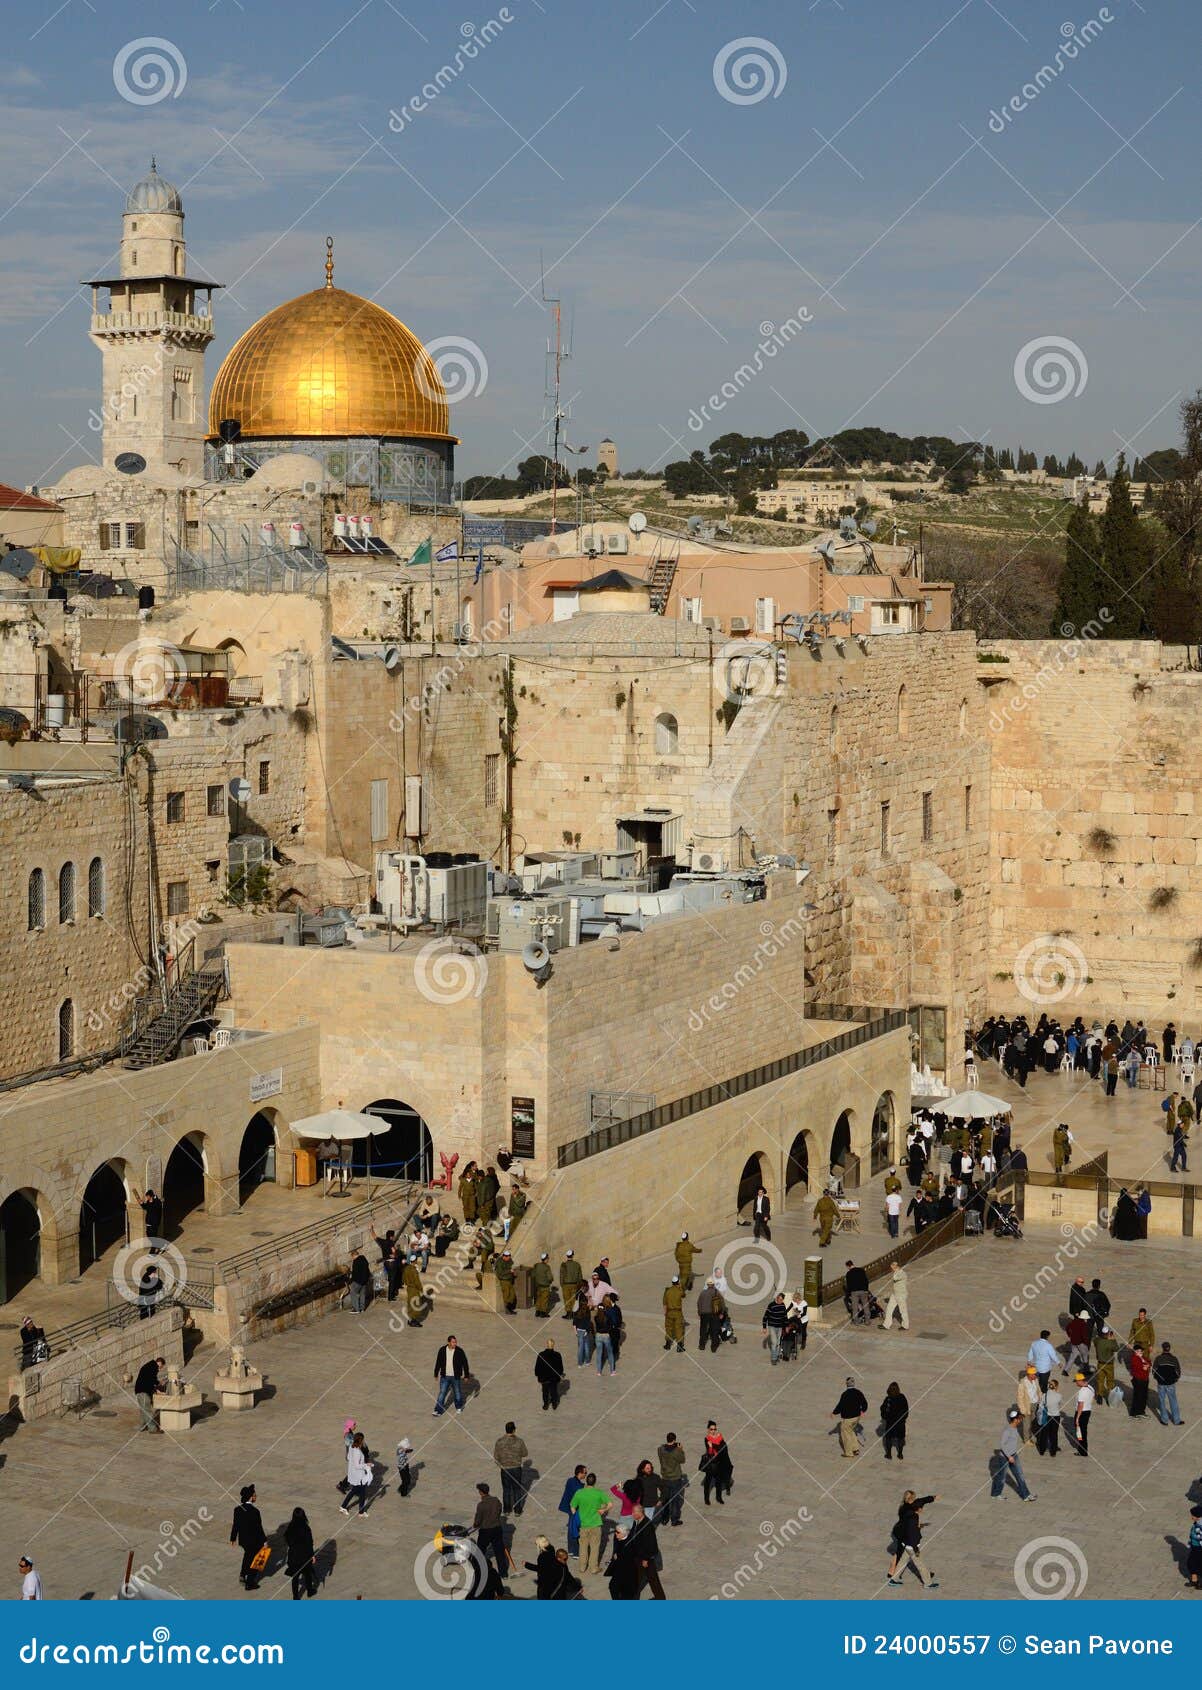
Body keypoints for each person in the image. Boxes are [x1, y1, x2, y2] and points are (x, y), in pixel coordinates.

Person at [887, 1492, 940, 1589]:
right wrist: (915, 1548)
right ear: (918, 1509)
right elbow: (913, 1535)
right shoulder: (913, 1519)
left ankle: (894, 1579)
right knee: (920, 1564)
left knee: (903, 1561)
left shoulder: (906, 1511)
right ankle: (928, 1583)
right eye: (921, 1508)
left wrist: (932, 1498)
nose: (922, 1509)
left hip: (906, 1543)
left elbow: (921, 1501)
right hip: (911, 1545)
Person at [570, 1472, 610, 1575]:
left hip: (583, 1525)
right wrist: (603, 1510)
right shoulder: (599, 1493)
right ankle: (593, 1568)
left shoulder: (579, 1492)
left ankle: (582, 1567)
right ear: (595, 1482)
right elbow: (610, 1504)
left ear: (586, 1481)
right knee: (594, 1547)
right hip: (595, 1524)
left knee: (583, 1546)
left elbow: (572, 1506)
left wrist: (576, 1516)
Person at [991, 1409, 1036, 1501]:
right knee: (1002, 1477)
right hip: (1005, 1457)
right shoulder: (1007, 1430)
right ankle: (996, 1494)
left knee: (1020, 1475)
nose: (1020, 1420)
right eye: (1019, 1418)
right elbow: (1002, 1445)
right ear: (1015, 1419)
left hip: (1013, 1455)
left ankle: (1026, 1495)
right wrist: (1009, 1456)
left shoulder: (1015, 1428)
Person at [626, 1502, 666, 1598]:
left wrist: (646, 1559)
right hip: (639, 1556)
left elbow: (651, 1544)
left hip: (644, 1557)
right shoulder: (637, 1522)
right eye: (632, 1512)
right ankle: (660, 1598)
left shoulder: (647, 1525)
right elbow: (632, 1536)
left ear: (641, 1512)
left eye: (635, 1512)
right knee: (652, 1579)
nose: (632, 1514)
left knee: (640, 1579)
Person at [230, 1484, 266, 1589]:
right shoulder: (255, 1511)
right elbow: (259, 1528)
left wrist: (233, 1538)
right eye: (254, 1495)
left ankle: (243, 1573)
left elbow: (235, 1525)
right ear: (250, 1497)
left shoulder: (237, 1509)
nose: (256, 1496)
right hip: (255, 1541)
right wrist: (264, 1541)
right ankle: (250, 1582)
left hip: (244, 1540)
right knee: (257, 1560)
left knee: (247, 1556)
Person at [472, 1483, 508, 1582]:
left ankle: (477, 1568)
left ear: (481, 1492)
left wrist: (475, 1525)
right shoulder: (496, 1500)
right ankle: (503, 1573)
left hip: (485, 1531)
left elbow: (478, 1520)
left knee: (480, 1550)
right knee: (499, 1552)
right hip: (497, 1529)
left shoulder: (481, 1505)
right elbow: (499, 1509)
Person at [494, 1421, 529, 1516]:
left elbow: (496, 1457)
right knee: (517, 1489)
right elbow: (525, 1453)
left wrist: (501, 1464)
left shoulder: (499, 1441)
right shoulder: (519, 1441)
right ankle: (517, 1510)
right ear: (514, 1430)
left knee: (506, 1490)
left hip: (505, 1469)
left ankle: (506, 1510)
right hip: (516, 1468)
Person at [832, 1377, 868, 1459]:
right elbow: (865, 1403)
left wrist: (834, 1413)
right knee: (851, 1431)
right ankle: (855, 1449)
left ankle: (849, 1453)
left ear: (846, 1384)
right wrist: (863, 1411)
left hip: (848, 1418)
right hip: (857, 1417)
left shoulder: (845, 1394)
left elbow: (840, 1406)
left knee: (845, 1434)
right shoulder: (859, 1392)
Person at [433, 1335, 469, 1416]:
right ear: (448, 1342)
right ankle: (438, 1410)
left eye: (455, 1342)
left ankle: (459, 1407)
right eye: (453, 1342)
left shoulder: (459, 1351)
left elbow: (465, 1363)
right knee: (442, 1393)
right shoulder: (442, 1350)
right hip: (444, 1376)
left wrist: (466, 1375)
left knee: (457, 1393)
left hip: (455, 1377)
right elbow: (438, 1362)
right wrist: (436, 1373)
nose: (455, 1344)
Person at [285, 1507, 316, 1599]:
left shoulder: (290, 1526)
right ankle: (310, 1591)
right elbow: (309, 1543)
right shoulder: (305, 1528)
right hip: (304, 1556)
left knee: (295, 1577)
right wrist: (312, 1555)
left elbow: (287, 1539)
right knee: (307, 1574)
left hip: (294, 1555)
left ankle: (295, 1596)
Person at [700, 1421, 733, 1504]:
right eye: (711, 1429)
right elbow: (710, 1452)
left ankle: (719, 1497)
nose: (713, 1431)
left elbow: (724, 1448)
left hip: (719, 1462)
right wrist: (713, 1448)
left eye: (714, 1429)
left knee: (718, 1481)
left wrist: (714, 1446)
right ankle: (706, 1499)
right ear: (708, 1429)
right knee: (708, 1481)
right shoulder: (707, 1439)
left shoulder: (720, 1437)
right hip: (711, 1463)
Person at [659, 1433, 687, 1527]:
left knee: (665, 1499)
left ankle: (664, 1519)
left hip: (665, 1477)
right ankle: (674, 1520)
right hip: (675, 1478)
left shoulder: (660, 1449)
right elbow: (682, 1460)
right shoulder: (676, 1451)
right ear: (674, 1440)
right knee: (675, 1500)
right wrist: (680, 1449)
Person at [558, 1465, 587, 1556]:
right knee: (574, 1530)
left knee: (571, 1528)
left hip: (569, 1507)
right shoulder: (578, 1487)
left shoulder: (570, 1480)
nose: (586, 1474)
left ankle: (571, 1550)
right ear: (580, 1473)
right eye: (585, 1473)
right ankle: (575, 1552)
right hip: (573, 1509)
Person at [342, 1431, 373, 1514]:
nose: (364, 1441)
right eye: (363, 1440)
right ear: (360, 1440)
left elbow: (349, 1458)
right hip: (358, 1475)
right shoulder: (358, 1451)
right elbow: (357, 1465)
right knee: (357, 1491)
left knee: (360, 1492)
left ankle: (360, 1511)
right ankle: (347, 1507)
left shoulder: (351, 1447)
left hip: (355, 1473)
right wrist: (366, 1465)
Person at [1154, 1341, 1183, 1426]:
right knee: (1173, 1401)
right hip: (1171, 1384)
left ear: (1162, 1348)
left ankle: (1164, 1420)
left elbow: (1154, 1371)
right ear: (1169, 1348)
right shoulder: (1174, 1359)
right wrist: (1175, 1379)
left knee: (1162, 1401)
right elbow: (1178, 1372)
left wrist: (1158, 1379)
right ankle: (1176, 1420)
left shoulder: (1158, 1358)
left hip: (1161, 1384)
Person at [133, 1355, 164, 1433]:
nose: (159, 1369)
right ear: (159, 1363)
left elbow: (150, 1379)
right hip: (143, 1392)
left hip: (139, 1391)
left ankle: (142, 1426)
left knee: (143, 1410)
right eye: (160, 1367)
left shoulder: (149, 1366)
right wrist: (157, 1386)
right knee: (147, 1411)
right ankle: (153, 1429)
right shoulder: (153, 1367)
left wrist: (156, 1386)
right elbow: (152, 1380)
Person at [880, 1381, 909, 1461]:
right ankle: (900, 1454)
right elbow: (906, 1409)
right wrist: (903, 1418)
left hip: (890, 1423)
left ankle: (889, 1454)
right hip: (900, 1423)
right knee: (900, 1438)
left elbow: (883, 1409)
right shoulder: (902, 1397)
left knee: (888, 1438)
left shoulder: (888, 1399)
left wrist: (885, 1417)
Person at [535, 1337, 565, 1410]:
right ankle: (554, 1404)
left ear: (547, 1345)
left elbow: (538, 1367)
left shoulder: (541, 1354)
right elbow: (560, 1367)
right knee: (554, 1391)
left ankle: (546, 1405)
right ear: (553, 1345)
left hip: (544, 1377)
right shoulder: (557, 1355)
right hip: (554, 1377)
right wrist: (560, 1374)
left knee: (545, 1391)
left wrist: (537, 1375)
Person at [1093, 1324, 1119, 1406]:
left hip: (1100, 1364)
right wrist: (1113, 1339)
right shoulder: (1110, 1343)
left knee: (1100, 1380)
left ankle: (1099, 1397)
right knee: (1110, 1381)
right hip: (1109, 1365)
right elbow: (1117, 1348)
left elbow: (1095, 1340)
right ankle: (1109, 1398)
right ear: (1108, 1333)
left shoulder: (1098, 1341)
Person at [1035, 1380, 1062, 1457]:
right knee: (1054, 1434)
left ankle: (1042, 1450)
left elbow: (1040, 1405)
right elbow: (1059, 1404)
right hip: (1056, 1417)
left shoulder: (1044, 1395)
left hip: (1046, 1416)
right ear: (1056, 1387)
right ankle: (1053, 1452)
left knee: (1044, 1434)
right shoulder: (1059, 1396)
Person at [882, 1262, 909, 1332]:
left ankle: (905, 1325)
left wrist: (896, 1270)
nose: (892, 1269)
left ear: (896, 1267)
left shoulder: (902, 1273)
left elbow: (895, 1278)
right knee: (889, 1308)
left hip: (901, 1295)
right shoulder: (896, 1272)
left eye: (893, 1268)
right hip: (894, 1294)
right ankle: (886, 1325)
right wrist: (895, 1270)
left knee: (903, 1310)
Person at [762, 1291, 788, 1363]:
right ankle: (773, 1359)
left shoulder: (783, 1305)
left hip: (780, 1327)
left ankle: (776, 1356)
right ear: (777, 1298)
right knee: (774, 1342)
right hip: (772, 1326)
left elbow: (785, 1316)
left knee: (778, 1343)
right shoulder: (771, 1305)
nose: (781, 1301)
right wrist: (764, 1327)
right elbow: (765, 1316)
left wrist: (786, 1326)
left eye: (782, 1300)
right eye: (780, 1299)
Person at [1072, 1372, 1094, 1456]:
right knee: (1083, 1431)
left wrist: (1077, 1418)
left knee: (1080, 1432)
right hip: (1088, 1411)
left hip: (1082, 1412)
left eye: (1076, 1381)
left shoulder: (1082, 1392)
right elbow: (1092, 1398)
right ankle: (1082, 1449)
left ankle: (1082, 1451)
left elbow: (1080, 1405)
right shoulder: (1090, 1387)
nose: (1076, 1383)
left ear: (1080, 1381)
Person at [1016, 1367, 1041, 1442]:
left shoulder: (1036, 1380)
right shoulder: (1022, 1383)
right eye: (1034, 1374)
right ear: (1030, 1375)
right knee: (1027, 1424)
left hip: (1035, 1404)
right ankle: (1026, 1440)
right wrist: (1022, 1409)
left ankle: (1030, 1436)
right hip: (1027, 1406)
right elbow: (1019, 1397)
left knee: (1033, 1422)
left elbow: (1039, 1390)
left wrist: (1040, 1399)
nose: (1036, 1375)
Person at [697, 1278, 722, 1353]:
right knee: (714, 1330)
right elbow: (721, 1303)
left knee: (703, 1330)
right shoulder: (716, 1292)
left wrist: (700, 1312)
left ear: (707, 1284)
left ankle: (701, 1345)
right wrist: (721, 1313)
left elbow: (699, 1303)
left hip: (704, 1314)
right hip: (714, 1314)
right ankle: (713, 1348)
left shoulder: (703, 1293)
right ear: (713, 1284)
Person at [662, 1275, 685, 1353]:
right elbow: (684, 1295)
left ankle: (668, 1345)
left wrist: (665, 1312)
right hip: (678, 1313)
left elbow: (664, 1303)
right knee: (679, 1329)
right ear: (678, 1282)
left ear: (672, 1282)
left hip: (669, 1312)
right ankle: (679, 1347)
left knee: (668, 1328)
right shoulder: (679, 1291)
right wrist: (680, 1286)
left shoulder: (667, 1291)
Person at [1064, 1312, 1091, 1377]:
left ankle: (1066, 1370)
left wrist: (1070, 1335)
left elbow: (1067, 1328)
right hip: (1081, 1343)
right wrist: (1087, 1343)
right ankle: (1086, 1371)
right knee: (1085, 1356)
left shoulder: (1074, 1321)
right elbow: (1084, 1335)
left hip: (1073, 1342)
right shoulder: (1083, 1324)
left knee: (1072, 1357)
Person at [593, 1298, 616, 1375]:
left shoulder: (596, 1318)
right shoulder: (607, 1317)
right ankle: (612, 1371)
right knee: (610, 1353)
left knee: (599, 1354)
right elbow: (610, 1326)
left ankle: (599, 1371)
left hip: (598, 1335)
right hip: (606, 1335)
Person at [573, 1290, 595, 1366]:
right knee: (586, 1347)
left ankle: (580, 1363)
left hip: (579, 1331)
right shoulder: (587, 1312)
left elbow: (574, 1323)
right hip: (585, 1331)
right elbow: (588, 1323)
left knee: (580, 1348)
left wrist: (575, 1332)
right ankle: (587, 1361)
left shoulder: (577, 1312)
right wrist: (589, 1298)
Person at [1129, 1344, 1152, 1417]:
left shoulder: (1143, 1357)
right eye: (1139, 1351)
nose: (1141, 1352)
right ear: (1135, 1351)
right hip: (1138, 1380)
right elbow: (1136, 1366)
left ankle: (1141, 1411)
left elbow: (1149, 1362)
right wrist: (1143, 1367)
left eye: (1141, 1351)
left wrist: (1148, 1365)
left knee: (1144, 1396)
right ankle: (1135, 1413)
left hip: (1145, 1379)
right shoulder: (1134, 1358)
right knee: (1138, 1396)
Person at [559, 1250, 584, 1317]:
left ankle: (568, 1314)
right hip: (574, 1284)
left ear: (567, 1256)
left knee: (566, 1299)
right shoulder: (577, 1264)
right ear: (572, 1255)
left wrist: (561, 1284)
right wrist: (579, 1284)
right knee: (573, 1299)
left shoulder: (563, 1265)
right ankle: (573, 1313)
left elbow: (561, 1276)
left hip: (566, 1284)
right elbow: (580, 1276)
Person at [845, 1260, 870, 1324]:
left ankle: (856, 1321)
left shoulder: (848, 1273)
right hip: (863, 1291)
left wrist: (849, 1293)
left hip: (854, 1292)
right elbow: (866, 1281)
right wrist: (866, 1290)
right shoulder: (861, 1270)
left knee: (855, 1307)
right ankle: (867, 1321)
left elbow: (849, 1285)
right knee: (865, 1306)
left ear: (848, 1266)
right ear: (852, 1264)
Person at [494, 1250, 517, 1314]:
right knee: (506, 1295)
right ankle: (507, 1309)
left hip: (509, 1280)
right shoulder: (500, 1262)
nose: (509, 1258)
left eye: (509, 1257)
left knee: (512, 1295)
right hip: (504, 1280)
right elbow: (500, 1273)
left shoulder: (509, 1261)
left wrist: (513, 1273)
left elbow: (511, 1266)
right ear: (504, 1256)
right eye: (507, 1257)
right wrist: (509, 1271)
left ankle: (509, 1307)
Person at [531, 1253, 554, 1317]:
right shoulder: (547, 1267)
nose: (548, 1259)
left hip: (538, 1286)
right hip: (545, 1286)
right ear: (545, 1259)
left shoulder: (537, 1265)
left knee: (538, 1299)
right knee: (544, 1299)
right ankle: (543, 1313)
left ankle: (537, 1312)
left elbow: (533, 1275)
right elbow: (550, 1278)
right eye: (548, 1258)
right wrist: (550, 1281)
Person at [1188, 1506, 1202, 1591]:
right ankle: (1194, 1581)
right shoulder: (1196, 1523)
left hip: (1199, 1548)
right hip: (1195, 1547)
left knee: (1199, 1564)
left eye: (1192, 1515)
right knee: (1191, 1563)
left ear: (1198, 1516)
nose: (1191, 1517)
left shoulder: (1200, 1525)